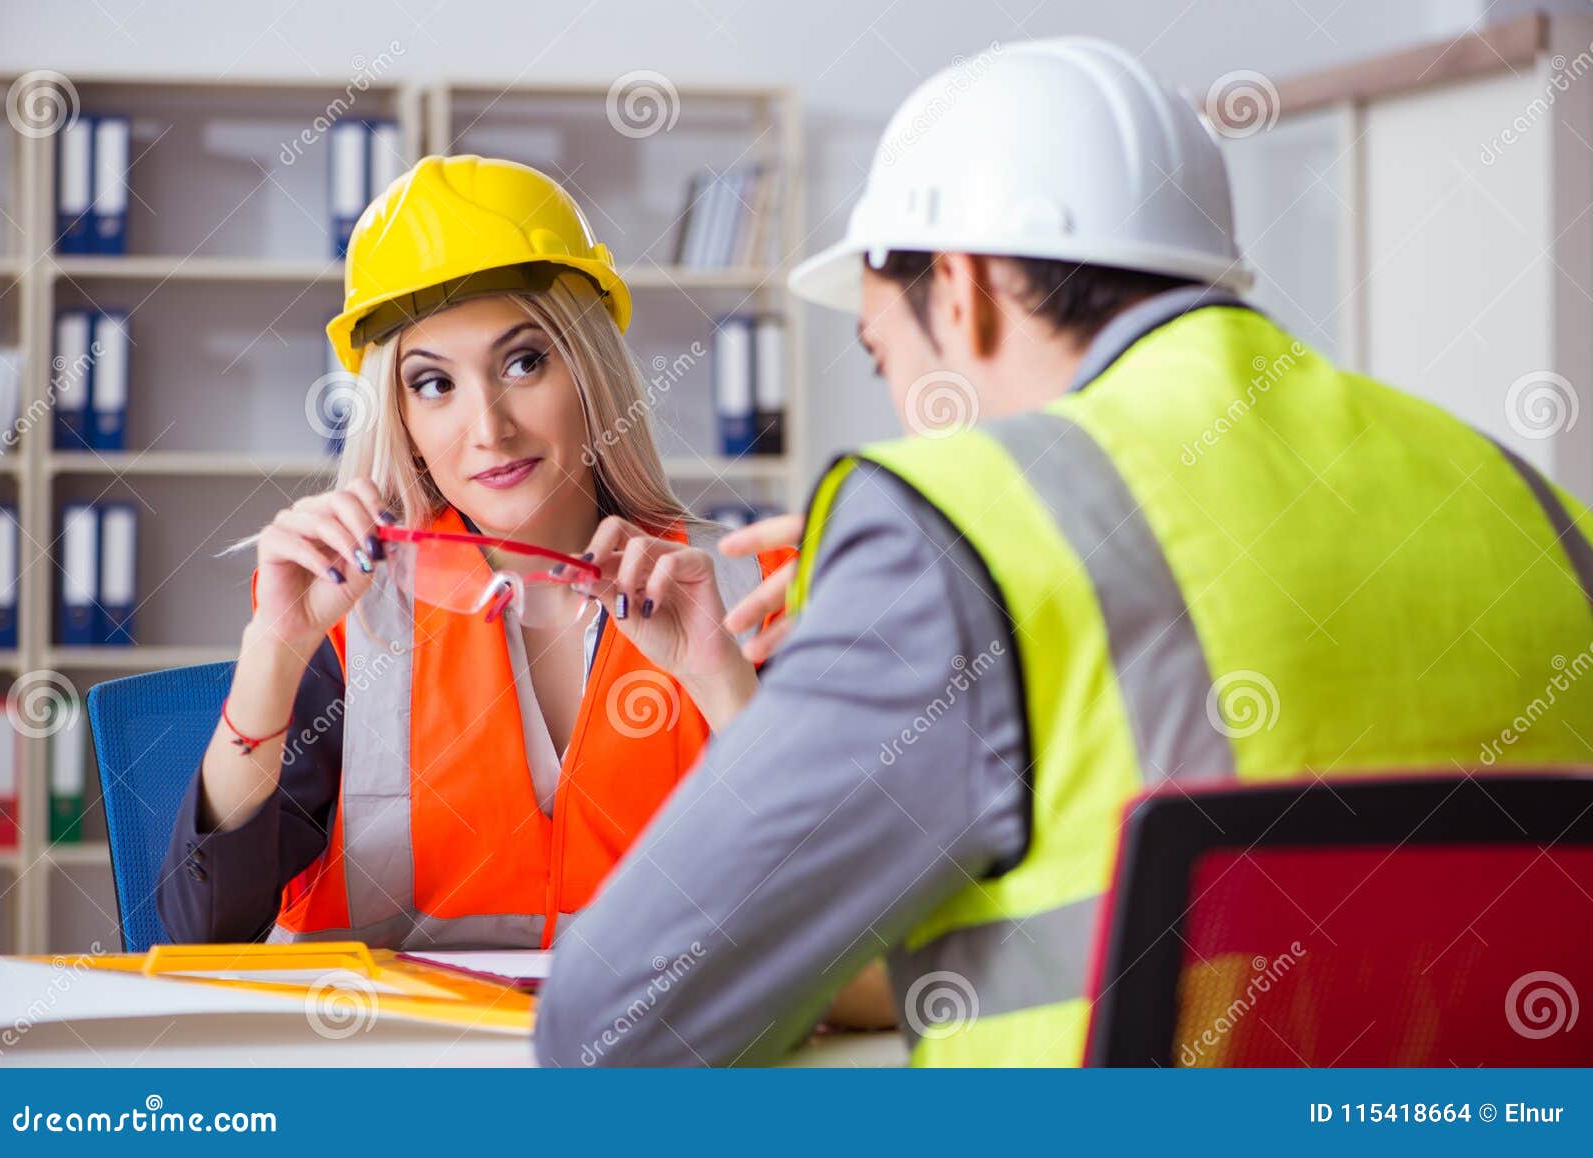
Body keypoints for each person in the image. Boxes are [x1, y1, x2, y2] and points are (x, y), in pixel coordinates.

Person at [533, 37, 1593, 1066]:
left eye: (881, 353)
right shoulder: (1523, 500)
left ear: (961, 289)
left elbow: (611, 1026)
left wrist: (907, 596)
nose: (904, 410)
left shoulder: (958, 529)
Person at [157, 155, 792, 950]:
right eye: (433, 384)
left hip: (657, 1068)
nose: (488, 428)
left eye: (524, 362)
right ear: (403, 421)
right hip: (396, 1068)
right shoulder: (353, 611)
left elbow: (848, 908)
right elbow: (203, 932)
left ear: (591, 372)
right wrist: (274, 654)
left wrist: (721, 681)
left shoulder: (744, 589)